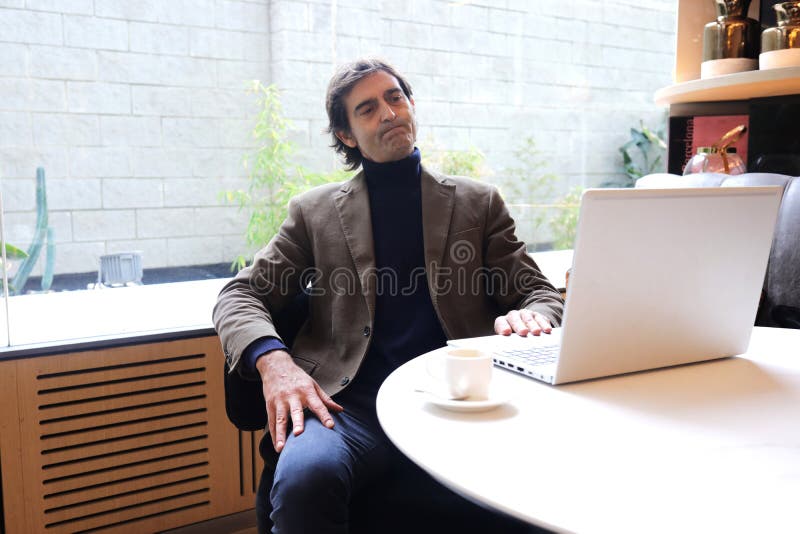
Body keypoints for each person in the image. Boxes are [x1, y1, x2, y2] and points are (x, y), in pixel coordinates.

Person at [213, 57, 564, 534]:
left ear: (412, 104)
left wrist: (533, 315)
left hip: (460, 401)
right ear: (347, 135)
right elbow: (240, 295)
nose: (389, 113)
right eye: (368, 108)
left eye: (395, 97)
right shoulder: (313, 213)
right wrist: (274, 364)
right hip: (347, 407)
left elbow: (538, 293)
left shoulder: (478, 203)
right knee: (304, 480)